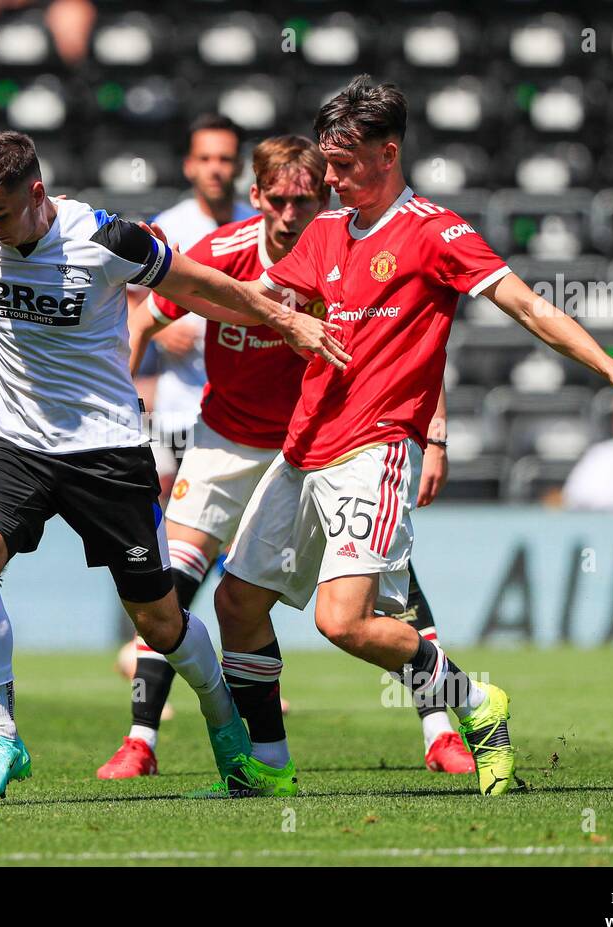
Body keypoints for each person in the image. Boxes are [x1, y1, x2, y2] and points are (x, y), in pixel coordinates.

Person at [158, 76, 613, 797]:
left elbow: (525, 305)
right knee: (236, 603)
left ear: (387, 153)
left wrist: (611, 369)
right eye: (326, 166)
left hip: (376, 445)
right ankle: (269, 770)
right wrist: (161, 275)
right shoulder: (328, 232)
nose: (328, 181)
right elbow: (265, 298)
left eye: (342, 166)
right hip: (303, 447)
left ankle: (475, 703)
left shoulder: (434, 231)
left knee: (344, 622)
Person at [0, 130, 348, 804]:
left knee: (159, 626)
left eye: (4, 213)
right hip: (15, 441)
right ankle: (2, 735)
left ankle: (223, 722)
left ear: (38, 193)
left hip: (105, 453)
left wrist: (285, 319)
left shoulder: (111, 242)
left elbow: (206, 283)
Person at [96, 136, 473, 784]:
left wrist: (432, 435)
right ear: (257, 198)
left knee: (386, 582)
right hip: (225, 439)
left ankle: (442, 728)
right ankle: (142, 740)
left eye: (307, 199)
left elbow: (409, 347)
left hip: (319, 443)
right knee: (168, 587)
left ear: (323, 198)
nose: (292, 213)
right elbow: (143, 321)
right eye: (280, 200)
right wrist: (117, 410)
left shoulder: (350, 257)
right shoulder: (222, 253)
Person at [143, 115, 255, 482]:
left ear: (239, 165)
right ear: (189, 166)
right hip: (179, 405)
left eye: (224, 159)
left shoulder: (261, 227)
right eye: (205, 159)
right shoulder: (168, 226)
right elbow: (127, 298)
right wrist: (158, 331)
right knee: (160, 498)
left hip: (245, 403)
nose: (215, 169)